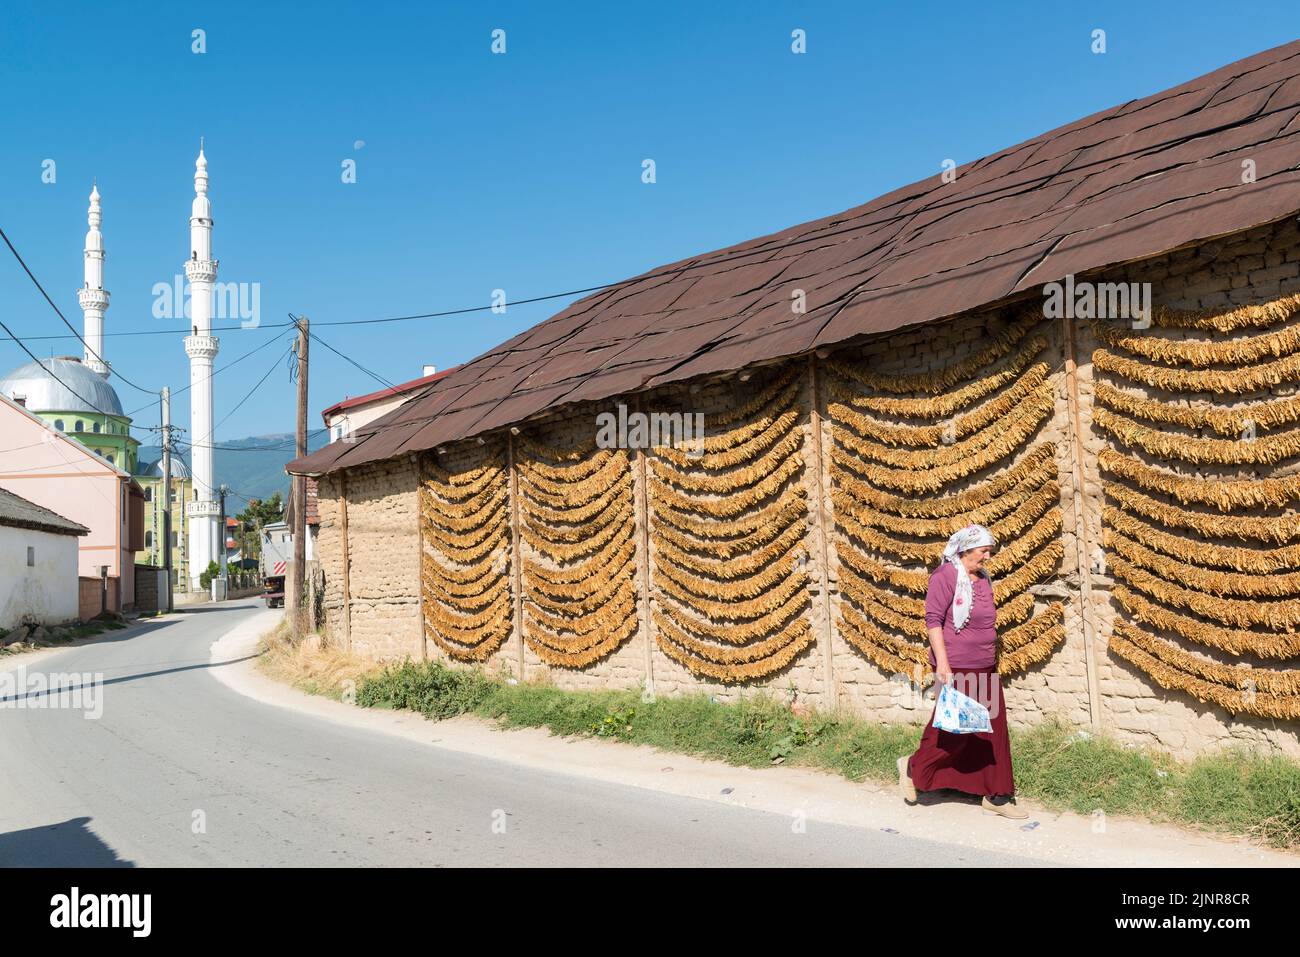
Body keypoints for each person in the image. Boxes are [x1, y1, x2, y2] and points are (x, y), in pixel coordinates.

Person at [897, 523, 1027, 818]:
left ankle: (996, 795)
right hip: (957, 666)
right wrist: (942, 663)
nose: (988, 557)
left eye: (989, 551)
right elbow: (933, 621)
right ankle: (912, 767)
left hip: (984, 663)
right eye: (984, 551)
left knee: (992, 730)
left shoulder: (982, 578)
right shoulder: (945, 576)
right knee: (955, 730)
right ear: (966, 549)